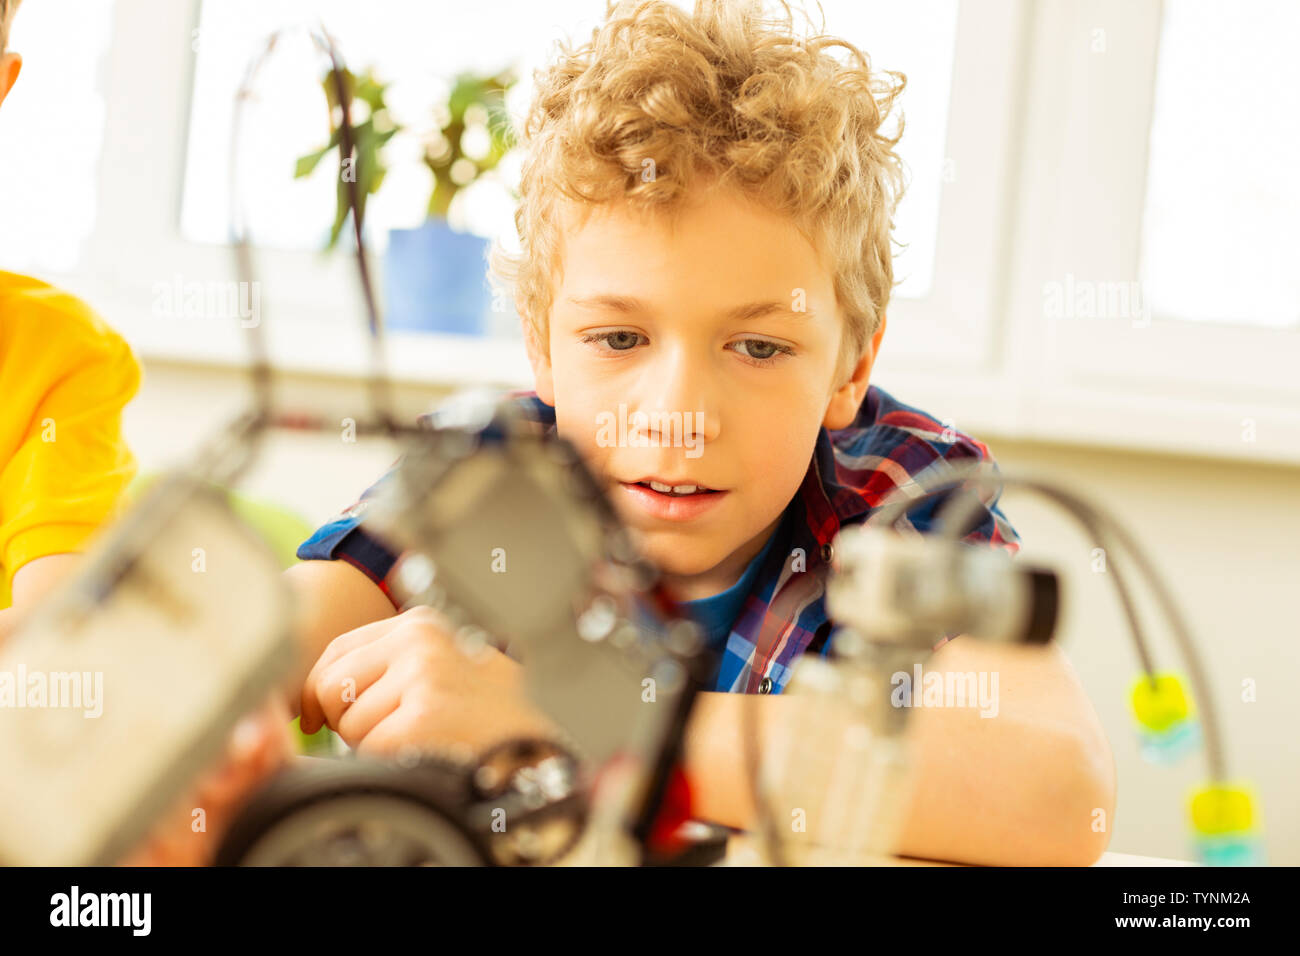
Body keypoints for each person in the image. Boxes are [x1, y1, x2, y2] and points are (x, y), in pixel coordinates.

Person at [288, 0, 1116, 865]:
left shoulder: (908, 493)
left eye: (758, 346)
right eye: (618, 338)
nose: (679, 416)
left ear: (849, 367)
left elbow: (1058, 792)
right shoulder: (486, 471)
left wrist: (584, 724)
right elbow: (246, 659)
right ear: (540, 346)